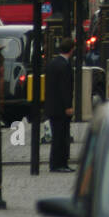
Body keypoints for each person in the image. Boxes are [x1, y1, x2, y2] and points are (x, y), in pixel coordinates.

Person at [45, 36, 75, 172]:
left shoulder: (53, 63)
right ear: (71, 50)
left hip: (52, 106)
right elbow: (65, 88)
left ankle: (56, 163)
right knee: (61, 137)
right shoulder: (65, 66)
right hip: (61, 108)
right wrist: (68, 106)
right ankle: (60, 164)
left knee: (57, 136)